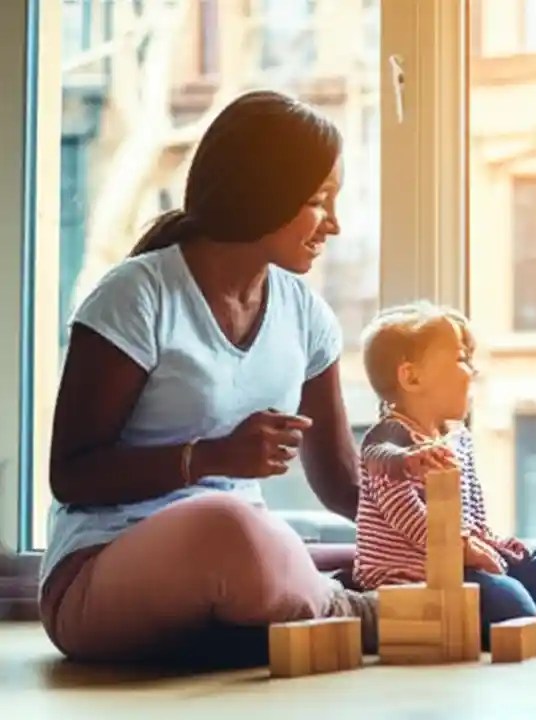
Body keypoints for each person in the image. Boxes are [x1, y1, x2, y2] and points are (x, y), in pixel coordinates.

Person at [38, 90, 376, 666]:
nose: (335, 225)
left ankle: (359, 602)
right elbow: (71, 476)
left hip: (244, 561)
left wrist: (423, 527)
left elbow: (342, 482)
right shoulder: (137, 296)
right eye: (320, 201)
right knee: (234, 529)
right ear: (261, 192)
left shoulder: (306, 315)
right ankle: (369, 616)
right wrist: (210, 457)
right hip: (100, 571)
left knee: (329, 548)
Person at [354, 302, 536, 649]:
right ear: (412, 377)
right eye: (461, 358)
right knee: (507, 597)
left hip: (463, 563)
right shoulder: (390, 437)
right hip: (414, 580)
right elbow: (397, 495)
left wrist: (488, 542)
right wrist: (462, 545)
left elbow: (472, 512)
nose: (473, 371)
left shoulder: (456, 439)